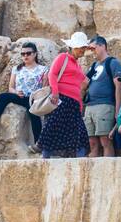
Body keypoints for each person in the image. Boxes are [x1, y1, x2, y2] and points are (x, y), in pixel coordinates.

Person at [35, 31, 91, 160]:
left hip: (74, 103)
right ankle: (43, 154)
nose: (84, 51)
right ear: (74, 47)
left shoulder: (77, 64)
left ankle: (80, 159)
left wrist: (80, 103)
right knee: (54, 125)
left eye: (84, 48)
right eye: (82, 48)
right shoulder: (62, 58)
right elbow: (52, 74)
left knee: (80, 133)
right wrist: (55, 92)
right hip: (62, 98)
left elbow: (83, 82)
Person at [0, 41, 44, 149]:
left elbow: (44, 88)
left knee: (34, 114)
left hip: (33, 98)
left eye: (28, 53)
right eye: (23, 54)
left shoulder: (43, 69)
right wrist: (16, 92)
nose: (25, 56)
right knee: (3, 96)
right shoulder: (17, 69)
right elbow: (11, 87)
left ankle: (38, 144)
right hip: (19, 96)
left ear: (35, 54)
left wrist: (36, 96)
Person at [83, 36, 121, 158]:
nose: (92, 51)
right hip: (90, 106)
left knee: (106, 140)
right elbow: (84, 84)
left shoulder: (113, 62)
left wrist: (118, 110)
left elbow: (118, 87)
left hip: (105, 105)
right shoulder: (93, 65)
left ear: (103, 46)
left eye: (93, 48)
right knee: (91, 142)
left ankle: (108, 171)